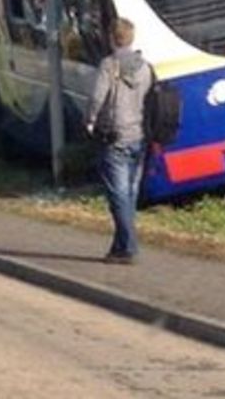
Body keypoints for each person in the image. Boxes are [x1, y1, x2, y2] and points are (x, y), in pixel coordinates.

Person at [85, 18, 153, 265]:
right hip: (138, 137)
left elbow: (96, 98)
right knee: (129, 195)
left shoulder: (109, 65)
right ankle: (119, 246)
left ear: (112, 38)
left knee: (118, 197)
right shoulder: (145, 67)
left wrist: (90, 121)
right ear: (131, 38)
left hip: (114, 137)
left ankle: (129, 247)